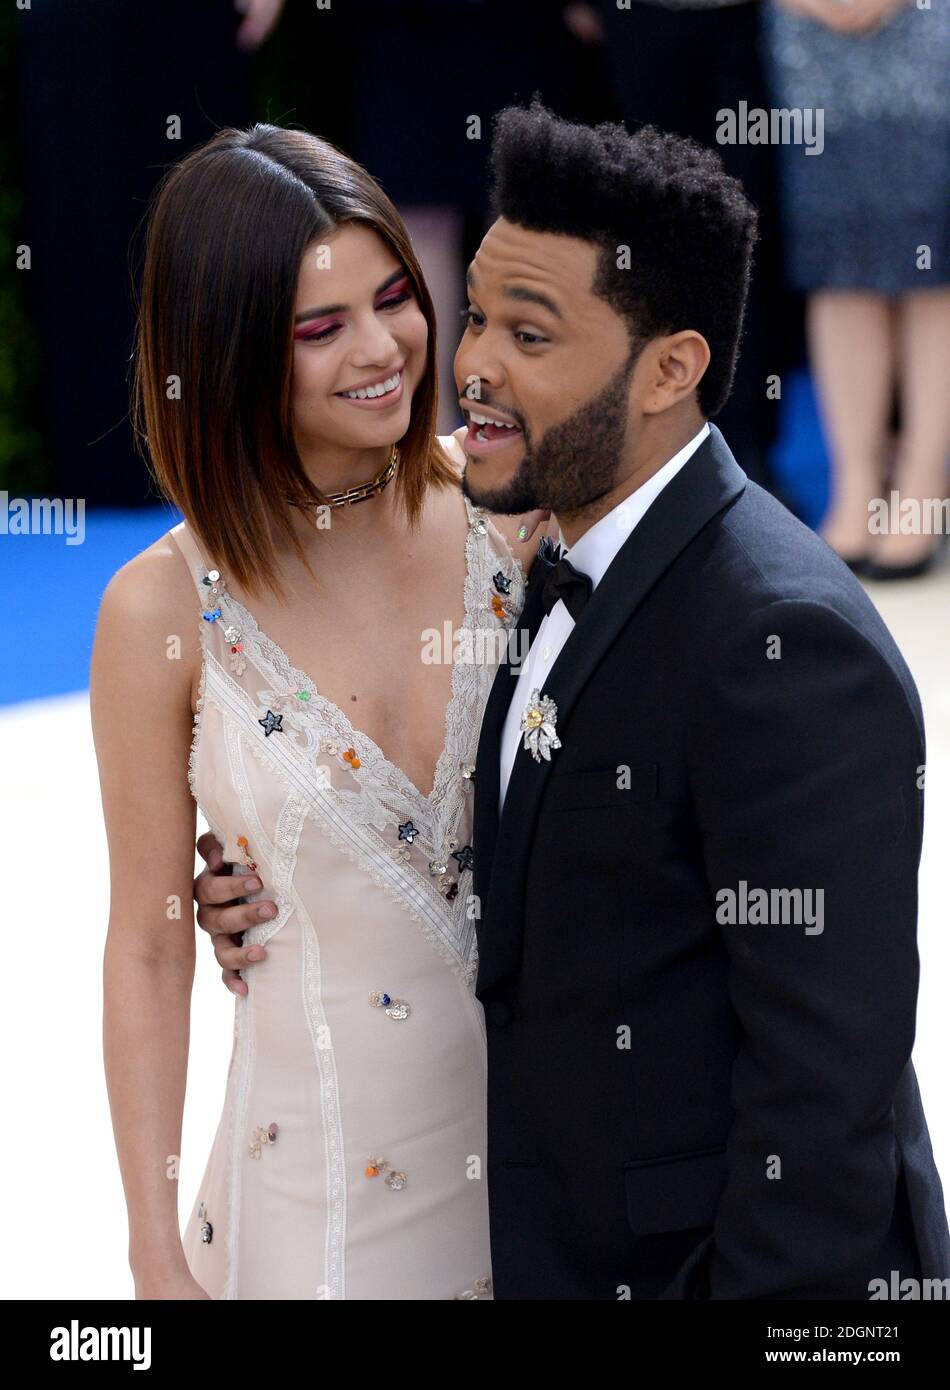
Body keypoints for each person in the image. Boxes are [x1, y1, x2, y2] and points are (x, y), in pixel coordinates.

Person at [198, 104, 950, 1299]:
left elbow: (822, 1100)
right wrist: (277, 877)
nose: (472, 365)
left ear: (669, 370)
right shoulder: (531, 555)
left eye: (530, 334)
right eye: (476, 316)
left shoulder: (782, 644)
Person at [93, 122, 549, 1300]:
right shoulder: (159, 609)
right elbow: (146, 946)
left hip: (556, 1187)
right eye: (319, 327)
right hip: (315, 1215)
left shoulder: (513, 507)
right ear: (229, 350)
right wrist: (150, 1254)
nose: (383, 347)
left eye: (394, 297)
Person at [763, 0, 950, 577]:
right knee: (837, 258)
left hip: (928, 26)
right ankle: (855, 487)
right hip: (808, 34)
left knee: (931, 256)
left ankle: (923, 485)